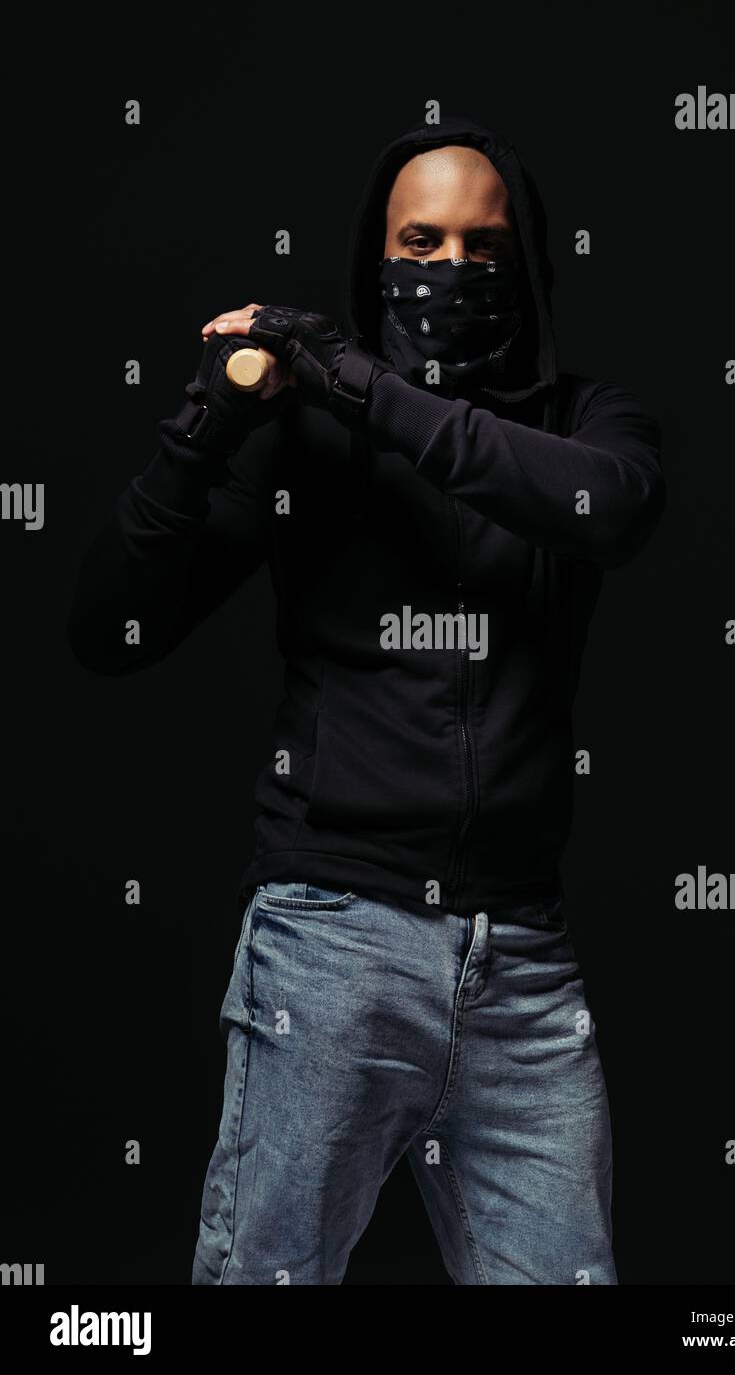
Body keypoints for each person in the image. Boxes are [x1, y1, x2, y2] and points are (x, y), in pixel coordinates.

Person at [67, 113, 666, 1285]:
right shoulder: (307, 443)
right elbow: (108, 632)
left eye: (482, 249)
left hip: (526, 976)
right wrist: (203, 431)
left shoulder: (591, 426)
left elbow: (609, 508)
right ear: (376, 251)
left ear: (529, 261)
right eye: (420, 241)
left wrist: (354, 379)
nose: (449, 272)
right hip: (331, 950)